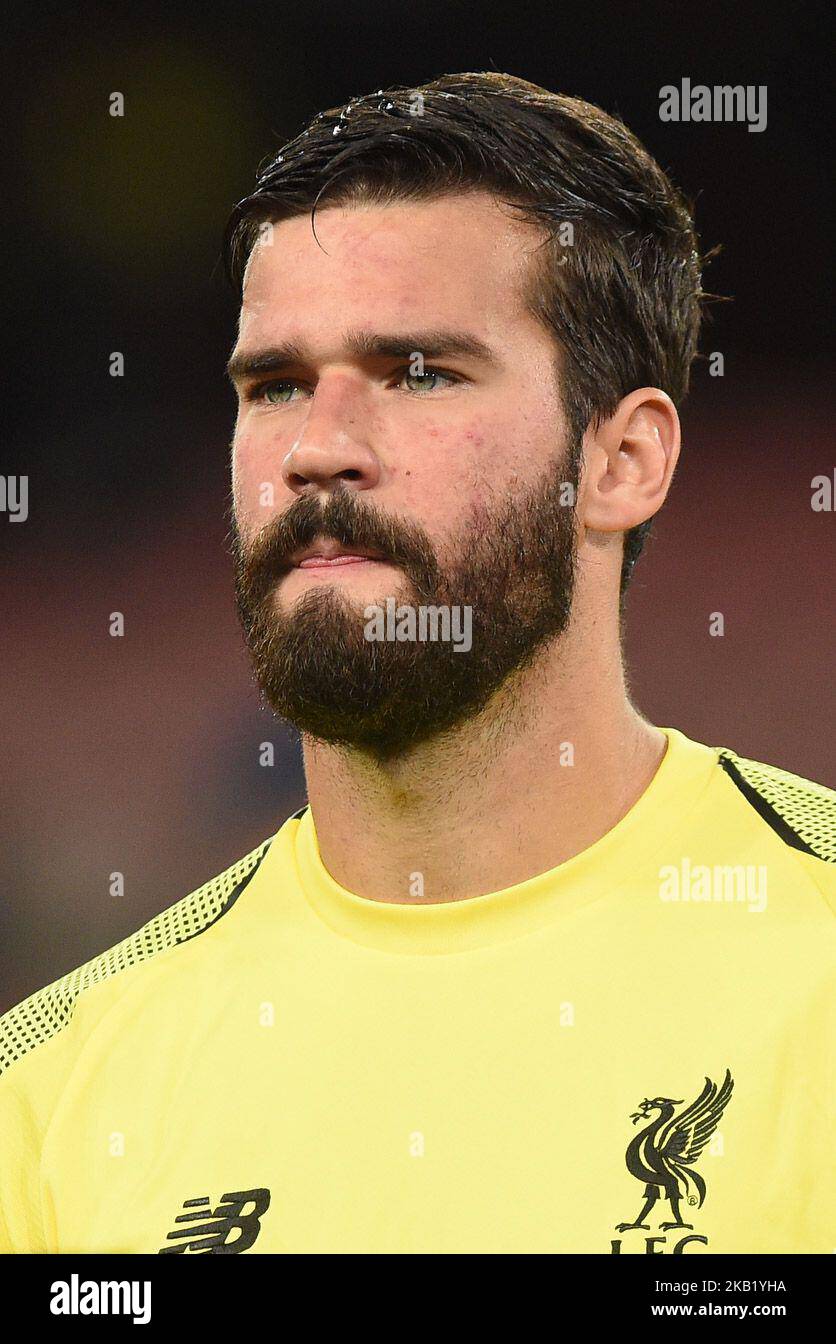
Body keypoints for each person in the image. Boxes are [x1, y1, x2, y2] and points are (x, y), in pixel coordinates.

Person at [1, 73, 832, 1255]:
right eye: (275, 385)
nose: (316, 449)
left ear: (621, 461)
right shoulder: (53, 1100)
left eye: (419, 373)